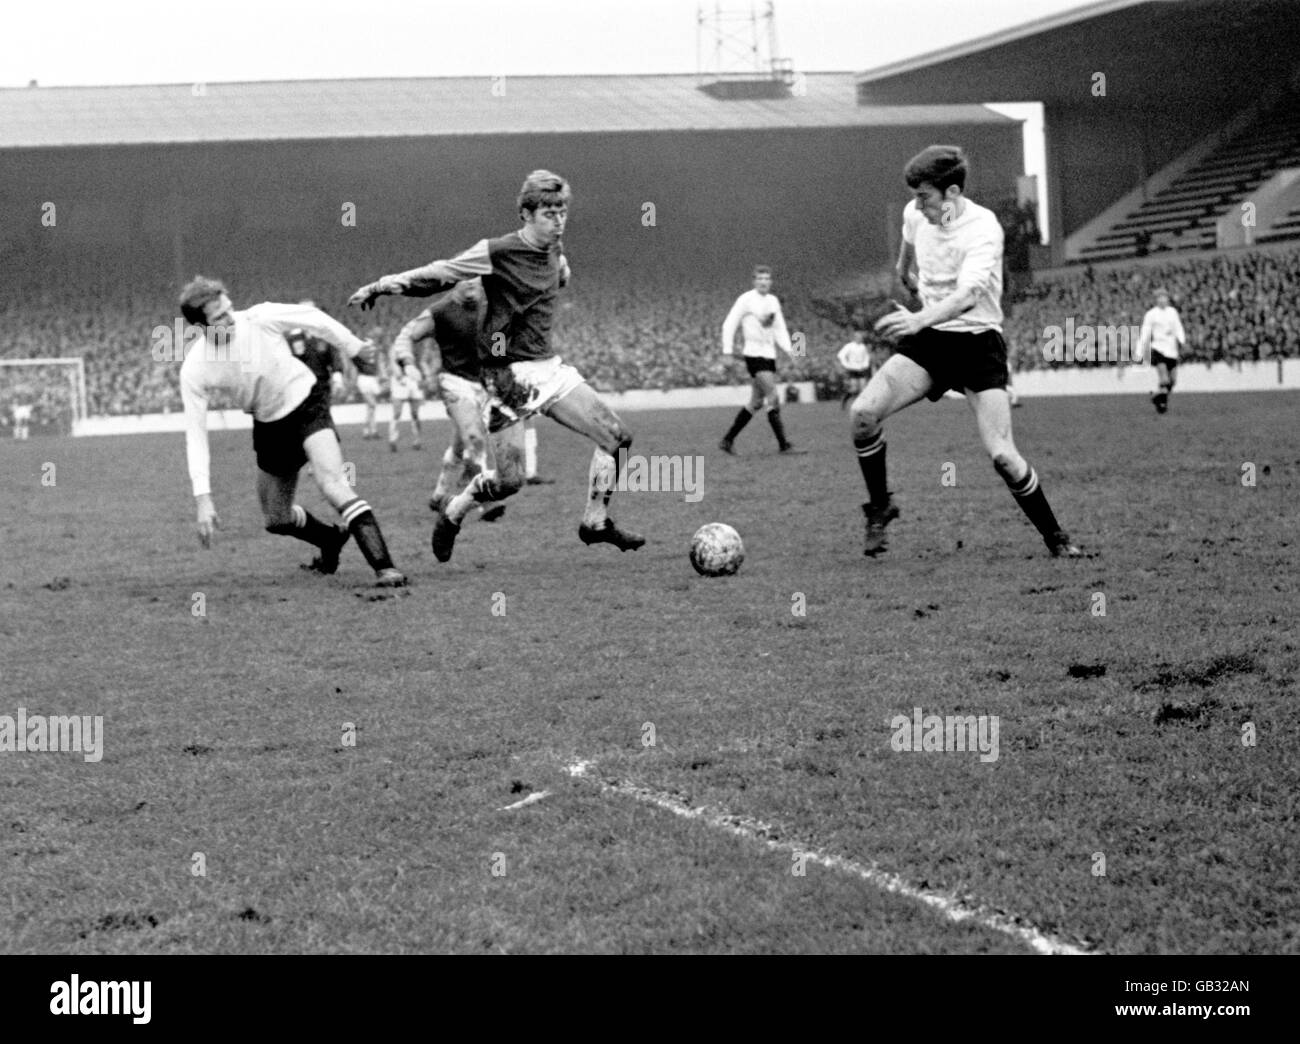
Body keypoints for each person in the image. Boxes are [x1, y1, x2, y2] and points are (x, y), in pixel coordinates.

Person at [348, 169, 643, 562]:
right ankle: (455, 511)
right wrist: (384, 284)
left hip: (548, 371)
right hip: (507, 377)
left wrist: (563, 273)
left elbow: (557, 273)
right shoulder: (498, 251)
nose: (558, 221)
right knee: (510, 482)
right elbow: (441, 273)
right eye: (548, 214)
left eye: (562, 212)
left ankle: (594, 522)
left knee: (618, 439)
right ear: (526, 214)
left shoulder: (556, 250)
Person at [858, 145, 1081, 558]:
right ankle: (880, 507)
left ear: (953, 193)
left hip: (978, 344)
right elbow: (906, 253)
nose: (917, 205)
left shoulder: (983, 228)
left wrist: (918, 319)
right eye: (914, 196)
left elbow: (967, 296)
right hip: (931, 342)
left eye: (924, 196)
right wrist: (904, 275)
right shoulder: (915, 214)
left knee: (1002, 456)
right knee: (863, 415)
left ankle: (1057, 538)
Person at [177, 276, 407, 587]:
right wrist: (203, 498)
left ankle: (386, 569)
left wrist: (351, 345)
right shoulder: (195, 367)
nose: (231, 318)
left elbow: (312, 318)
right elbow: (196, 434)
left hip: (306, 403)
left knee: (332, 483)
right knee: (276, 518)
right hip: (269, 425)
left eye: (229, 309)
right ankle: (330, 539)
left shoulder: (259, 318)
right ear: (200, 327)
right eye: (219, 317)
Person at [390, 280, 506, 524]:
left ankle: (440, 493)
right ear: (455, 282)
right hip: (455, 383)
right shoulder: (440, 312)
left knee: (460, 445)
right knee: (475, 438)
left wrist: (501, 371)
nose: (474, 284)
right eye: (467, 278)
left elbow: (499, 346)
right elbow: (405, 336)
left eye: (478, 278)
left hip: (484, 387)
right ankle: (487, 501)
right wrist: (408, 363)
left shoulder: (492, 309)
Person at [717, 266, 806, 454]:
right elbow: (729, 324)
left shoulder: (773, 301)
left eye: (767, 279)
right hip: (754, 355)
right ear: (754, 281)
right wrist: (727, 351)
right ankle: (784, 445)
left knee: (756, 402)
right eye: (760, 278)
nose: (764, 282)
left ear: (771, 281)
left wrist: (792, 351)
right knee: (773, 396)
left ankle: (727, 440)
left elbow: (780, 329)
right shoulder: (746, 300)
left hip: (769, 355)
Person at [1137, 287, 1186, 414]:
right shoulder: (1151, 314)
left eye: (1164, 297)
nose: (1162, 300)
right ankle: (1161, 402)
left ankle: (1158, 399)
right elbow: (1145, 332)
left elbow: (1178, 327)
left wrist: (1182, 341)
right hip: (1158, 349)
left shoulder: (1173, 312)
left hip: (1172, 350)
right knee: (1164, 379)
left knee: (1172, 381)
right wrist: (1140, 349)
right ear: (1156, 300)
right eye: (1159, 297)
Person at [387, 329, 425, 451]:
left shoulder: (416, 348)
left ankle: (417, 440)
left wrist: (421, 378)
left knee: (415, 413)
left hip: (412, 380)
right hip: (400, 380)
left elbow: (420, 363)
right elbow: (392, 362)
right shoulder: (395, 348)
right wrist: (399, 376)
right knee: (397, 412)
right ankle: (392, 439)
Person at [836, 331, 873, 409]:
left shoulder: (863, 347)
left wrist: (865, 365)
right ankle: (844, 400)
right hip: (852, 369)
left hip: (861, 369)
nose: (860, 339)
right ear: (855, 338)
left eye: (861, 337)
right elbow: (840, 355)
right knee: (854, 389)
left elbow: (866, 357)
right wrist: (846, 364)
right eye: (859, 337)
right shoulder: (849, 346)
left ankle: (862, 406)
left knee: (863, 388)